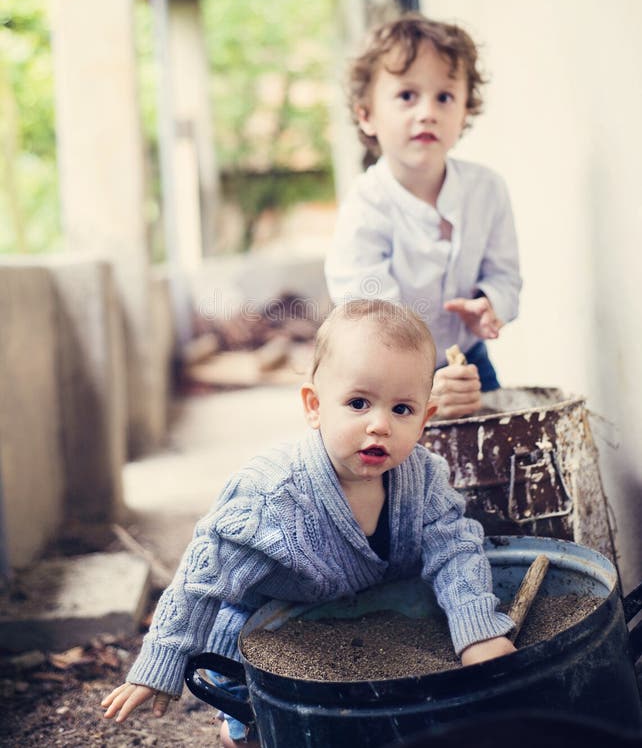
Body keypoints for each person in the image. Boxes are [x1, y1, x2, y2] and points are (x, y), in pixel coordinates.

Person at [101, 299, 516, 747]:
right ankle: (237, 727)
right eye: (359, 403)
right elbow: (202, 579)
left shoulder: (424, 478)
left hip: (365, 621)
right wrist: (161, 663)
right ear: (315, 406)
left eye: (402, 410)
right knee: (265, 721)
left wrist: (478, 633)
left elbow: (455, 550)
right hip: (265, 627)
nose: (380, 425)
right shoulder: (269, 493)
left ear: (425, 419)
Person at [325, 12, 522, 418]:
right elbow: (367, 311)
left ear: (466, 109)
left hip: (467, 362)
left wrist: (490, 303)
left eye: (445, 97)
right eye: (407, 96)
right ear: (367, 114)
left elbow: (505, 275)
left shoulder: (487, 190)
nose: (427, 112)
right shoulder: (367, 205)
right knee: (404, 468)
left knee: (493, 455)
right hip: (387, 375)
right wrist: (422, 384)